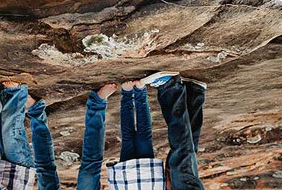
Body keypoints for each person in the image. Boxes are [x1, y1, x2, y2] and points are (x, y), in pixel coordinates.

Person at [77, 73, 207, 190]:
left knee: (184, 157)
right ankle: (171, 87)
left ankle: (194, 93)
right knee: (180, 158)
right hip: (146, 178)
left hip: (135, 177)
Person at [0, 80, 60, 190]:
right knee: (46, 169)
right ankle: (19, 95)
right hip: (20, 173)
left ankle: (5, 95)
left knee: (2, 133)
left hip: (8, 176)